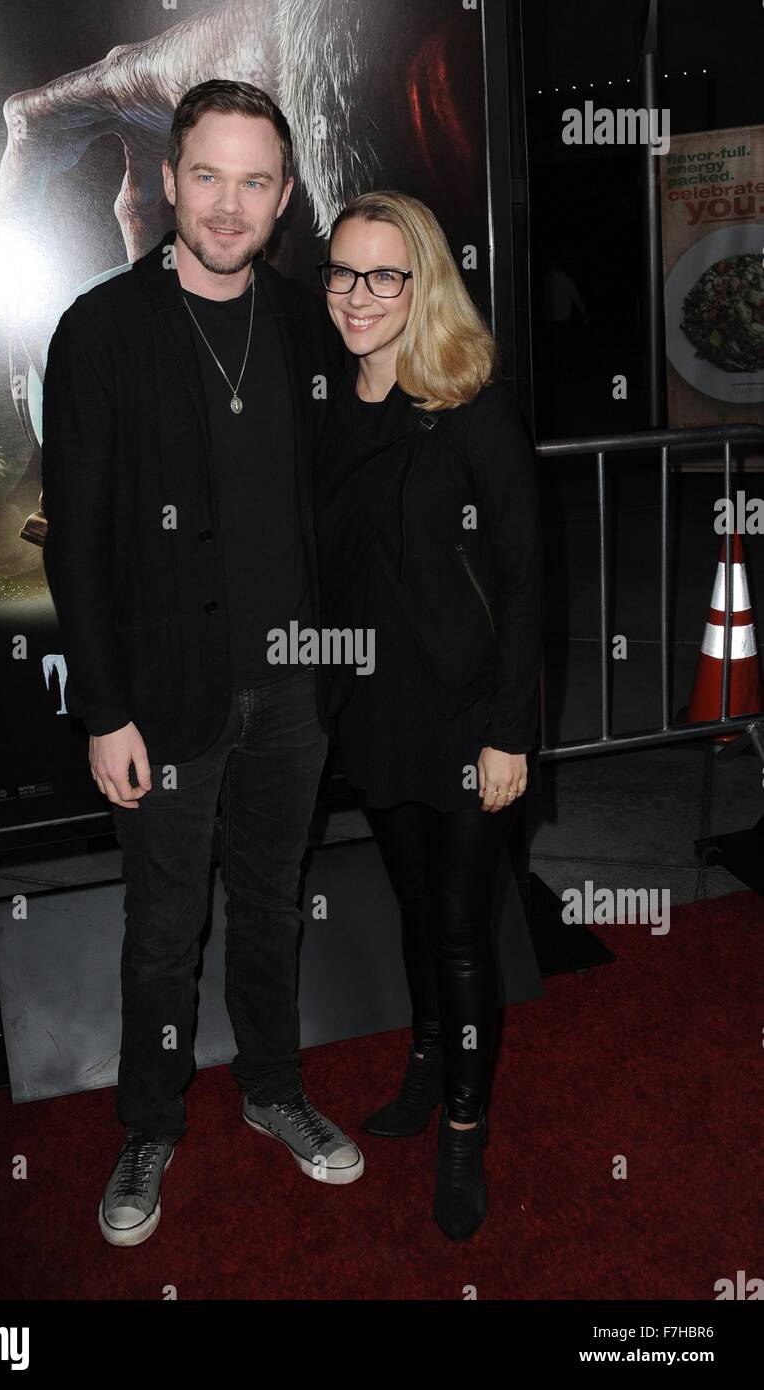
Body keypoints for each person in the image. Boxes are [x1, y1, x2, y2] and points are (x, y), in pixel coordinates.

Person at [40, 80, 362, 1249]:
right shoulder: (102, 331)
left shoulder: (304, 324)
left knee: (273, 903)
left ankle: (273, 1090)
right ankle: (148, 1124)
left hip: (292, 694)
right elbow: (75, 541)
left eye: (255, 181)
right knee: (166, 927)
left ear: (283, 199)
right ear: (167, 181)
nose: (230, 204)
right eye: (209, 176)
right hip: (164, 699)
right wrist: (103, 710)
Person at [312, 191, 544, 1240]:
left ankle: (462, 1127)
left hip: (463, 717)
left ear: (424, 283)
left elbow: (527, 578)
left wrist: (509, 729)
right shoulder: (326, 404)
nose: (360, 297)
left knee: (460, 934)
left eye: (384, 275)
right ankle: (420, 1067)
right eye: (344, 274)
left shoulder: (471, 400)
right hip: (374, 710)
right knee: (413, 911)